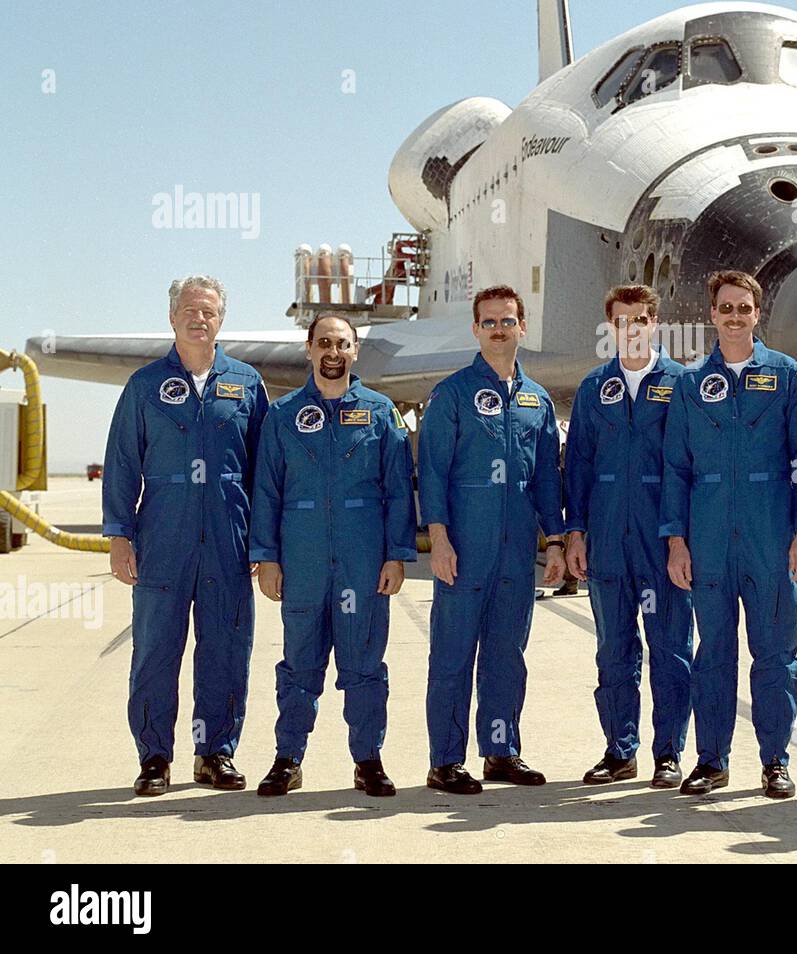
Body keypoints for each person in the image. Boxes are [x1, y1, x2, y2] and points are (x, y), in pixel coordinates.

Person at [661, 270, 797, 798]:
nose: (735, 316)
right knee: (713, 652)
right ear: (711, 315)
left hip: (771, 537)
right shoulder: (690, 385)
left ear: (758, 314)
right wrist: (676, 540)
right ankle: (711, 761)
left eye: (744, 308)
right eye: (725, 307)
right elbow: (675, 469)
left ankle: (776, 760)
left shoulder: (784, 375)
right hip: (708, 540)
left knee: (776, 652)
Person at [103, 276, 267, 796]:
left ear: (223, 319)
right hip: (163, 536)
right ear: (171, 317)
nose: (200, 319)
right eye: (190, 311)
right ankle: (154, 757)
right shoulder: (145, 386)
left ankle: (214, 753)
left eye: (210, 311)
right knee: (155, 649)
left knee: (225, 648)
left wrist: (264, 544)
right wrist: (118, 535)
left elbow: (266, 470)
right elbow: (123, 465)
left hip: (229, 537)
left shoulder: (246, 384)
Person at [249, 313, 417, 797]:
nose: (333, 352)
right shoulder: (282, 417)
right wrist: (268, 557)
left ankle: (368, 760)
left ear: (355, 351)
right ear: (308, 348)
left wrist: (396, 555)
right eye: (324, 342)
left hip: (363, 560)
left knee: (364, 664)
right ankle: (288, 758)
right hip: (301, 559)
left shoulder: (382, 413)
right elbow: (266, 491)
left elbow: (398, 492)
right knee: (299, 663)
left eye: (342, 344)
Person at [420, 285, 566, 795]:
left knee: (507, 653)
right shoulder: (453, 393)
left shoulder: (536, 400)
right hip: (464, 545)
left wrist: (556, 542)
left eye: (508, 321)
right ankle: (445, 760)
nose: (499, 329)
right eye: (489, 322)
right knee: (454, 654)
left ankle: (501, 751)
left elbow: (548, 477)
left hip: (515, 548)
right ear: (475, 329)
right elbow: (433, 471)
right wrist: (438, 538)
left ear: (522, 328)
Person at [565, 284, 691, 789]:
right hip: (608, 540)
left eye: (641, 319)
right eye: (622, 320)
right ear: (610, 327)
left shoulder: (683, 384)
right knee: (613, 650)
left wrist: (681, 538)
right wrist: (575, 532)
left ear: (655, 323)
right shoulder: (595, 388)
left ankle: (668, 753)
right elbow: (577, 467)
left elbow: (689, 465)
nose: (631, 328)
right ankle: (620, 750)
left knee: (671, 648)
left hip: (663, 541)